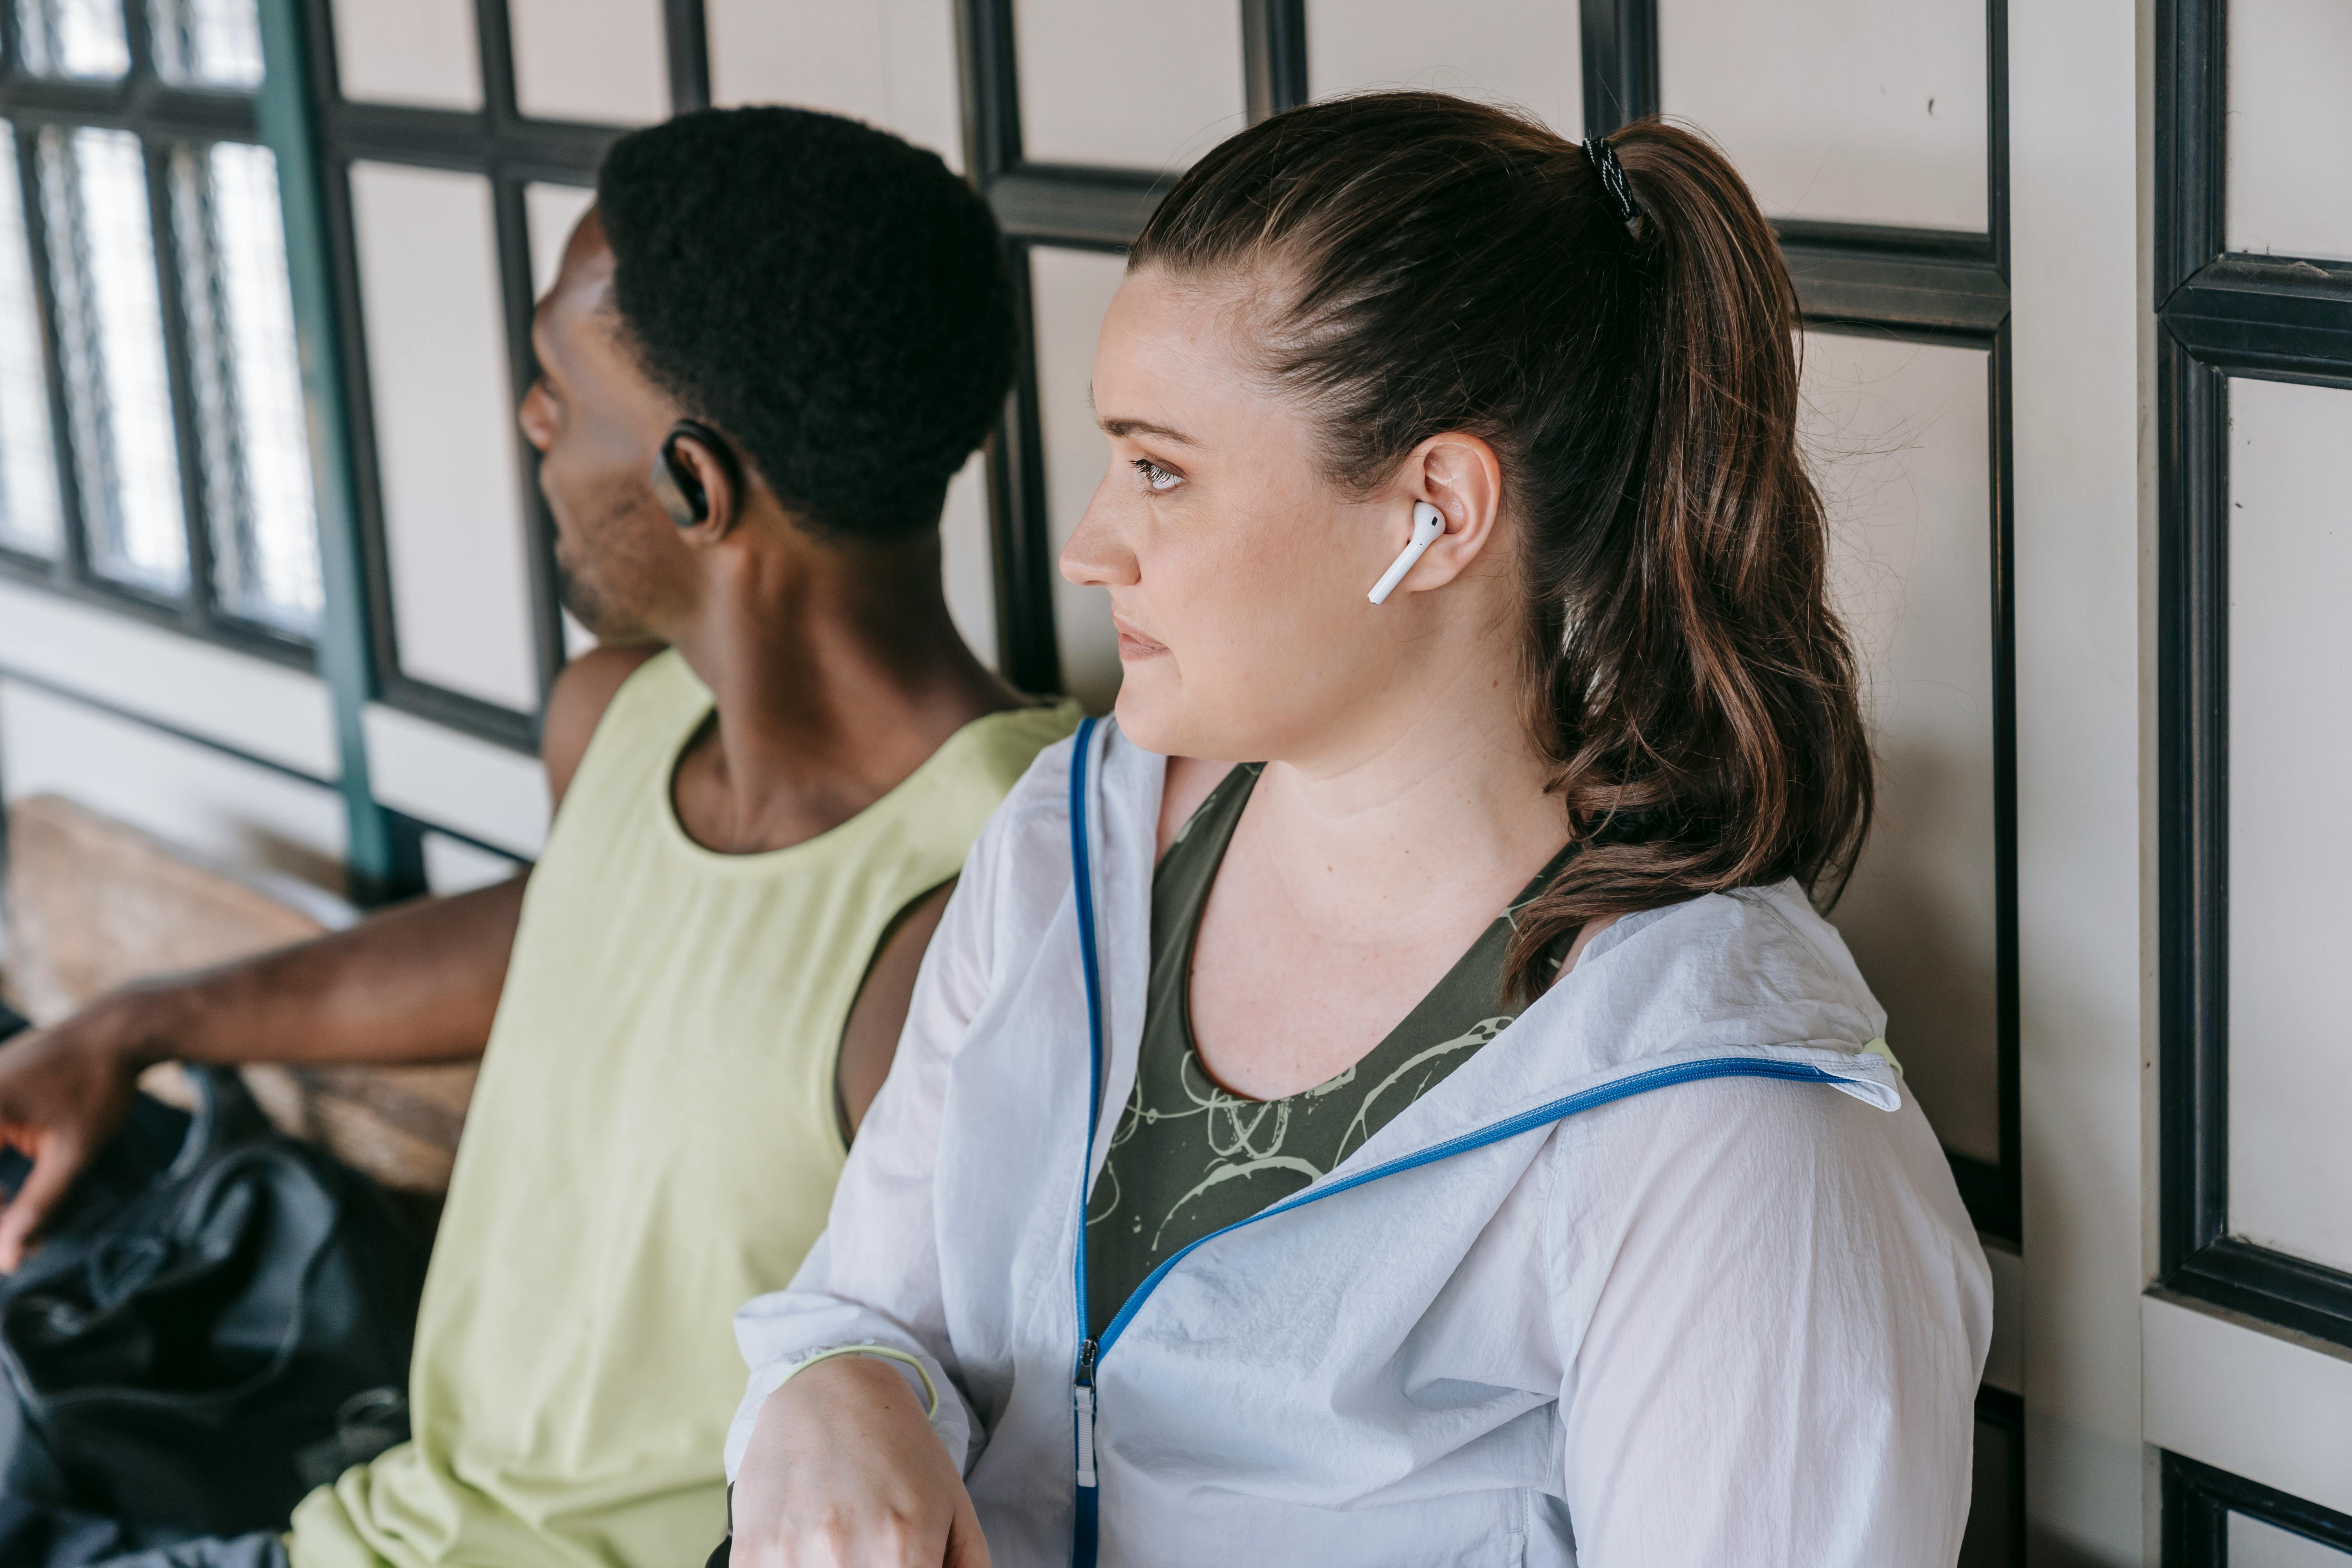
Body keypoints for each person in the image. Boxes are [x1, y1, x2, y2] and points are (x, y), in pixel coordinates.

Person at [722, 95, 1993, 1568]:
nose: (1090, 543)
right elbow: (862, 1311)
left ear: (1433, 513)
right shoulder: (1071, 842)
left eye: (1161, 470)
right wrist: (836, 1390)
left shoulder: (1735, 1130)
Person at [0, 107, 1076, 1566]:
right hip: (356, 1525)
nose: (530, 421)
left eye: (559, 386)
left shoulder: (990, 896)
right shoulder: (620, 721)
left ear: (697, 485)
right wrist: (136, 1023)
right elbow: (565, 936)